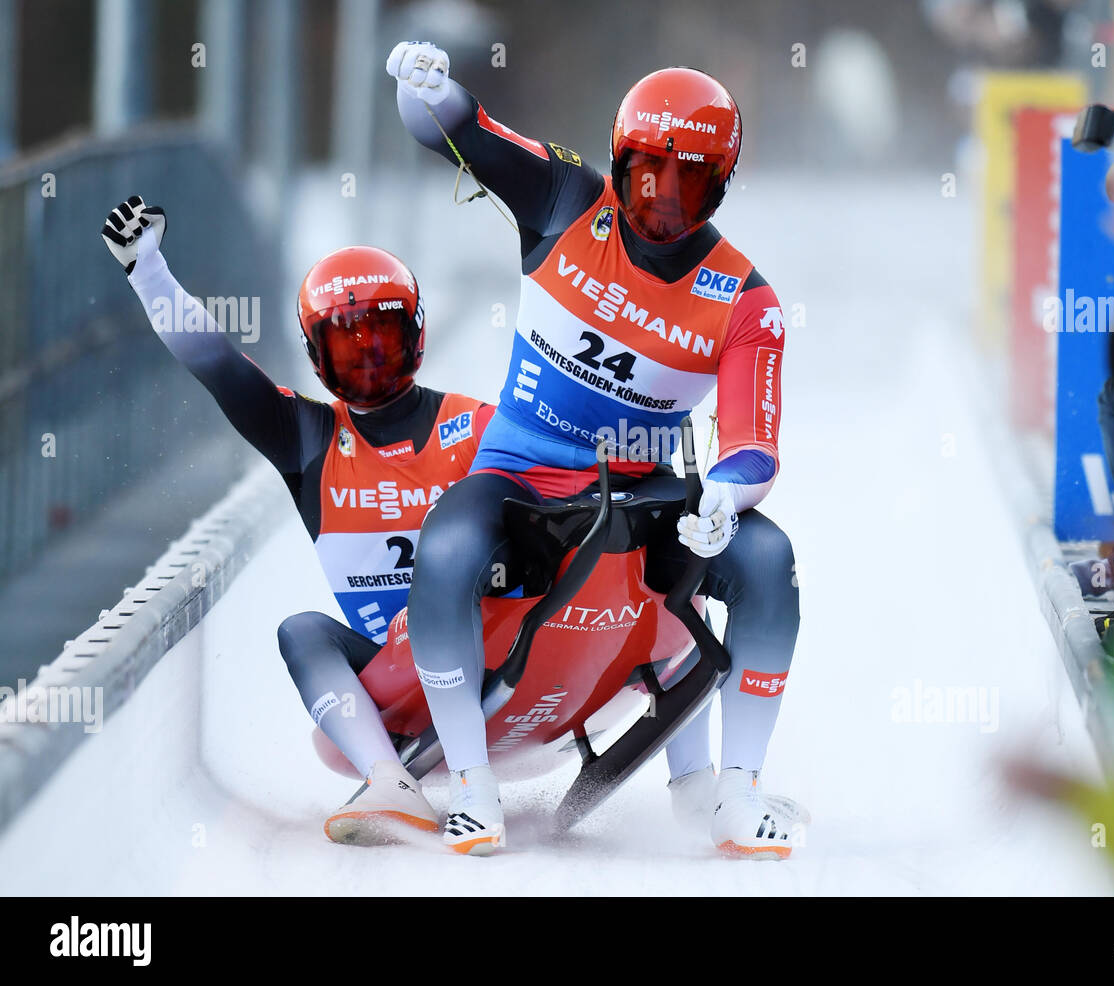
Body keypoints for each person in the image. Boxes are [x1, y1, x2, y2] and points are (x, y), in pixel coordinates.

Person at [387, 42, 804, 857]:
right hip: (518, 475)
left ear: (719, 185)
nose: (665, 199)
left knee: (769, 564)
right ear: (619, 161)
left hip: (642, 492)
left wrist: (722, 497)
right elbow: (455, 130)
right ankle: (473, 790)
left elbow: (755, 445)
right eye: (649, 172)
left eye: (690, 181)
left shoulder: (749, 301)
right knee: (445, 547)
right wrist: (423, 92)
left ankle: (737, 790)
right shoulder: (562, 197)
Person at [101, 196, 492, 845]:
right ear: (318, 356)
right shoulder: (305, 437)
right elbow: (218, 365)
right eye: (348, 341)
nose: (367, 354)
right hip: (396, 676)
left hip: (492, 638)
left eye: (383, 334)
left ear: (415, 336)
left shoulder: (472, 423)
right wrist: (149, 274)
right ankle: (388, 778)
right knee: (302, 630)